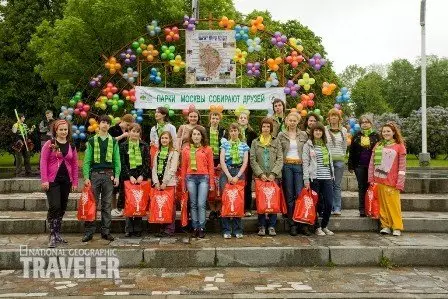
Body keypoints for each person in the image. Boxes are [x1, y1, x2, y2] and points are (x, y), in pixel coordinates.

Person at [82, 115, 121, 242]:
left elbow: (117, 160)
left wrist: (117, 176)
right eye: (103, 122)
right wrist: (86, 176)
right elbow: (87, 161)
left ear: (110, 126)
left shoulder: (114, 141)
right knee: (91, 204)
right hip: (95, 175)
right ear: (98, 124)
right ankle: (89, 232)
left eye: (107, 123)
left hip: (108, 174)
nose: (105, 125)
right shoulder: (92, 141)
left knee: (107, 204)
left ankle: (106, 231)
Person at [40, 120, 78, 248]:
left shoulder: (71, 145)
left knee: (62, 207)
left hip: (66, 181)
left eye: (65, 129)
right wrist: (44, 180)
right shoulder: (49, 144)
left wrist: (75, 182)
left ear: (68, 131)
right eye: (61, 129)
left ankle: (57, 233)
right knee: (55, 206)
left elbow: (74, 165)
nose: (63, 132)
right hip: (52, 180)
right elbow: (43, 162)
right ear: (56, 130)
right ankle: (52, 234)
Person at [368, 122, 406, 236]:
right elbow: (372, 163)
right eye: (384, 131)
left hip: (392, 181)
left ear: (394, 132)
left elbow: (402, 166)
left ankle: (397, 227)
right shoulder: (378, 145)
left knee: (393, 205)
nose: (386, 133)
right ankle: (385, 226)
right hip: (378, 180)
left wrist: (400, 182)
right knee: (382, 205)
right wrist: (371, 178)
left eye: (388, 131)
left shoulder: (399, 146)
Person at [277, 112, 310, 236]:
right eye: (290, 120)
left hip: (299, 166)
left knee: (300, 195)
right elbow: (278, 153)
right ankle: (292, 224)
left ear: (297, 121)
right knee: (289, 196)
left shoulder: (303, 135)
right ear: (286, 121)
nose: (292, 122)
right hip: (286, 166)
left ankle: (302, 224)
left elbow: (307, 151)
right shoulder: (281, 135)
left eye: (294, 120)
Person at [250, 117, 284, 236]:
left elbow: (280, 158)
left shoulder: (276, 141)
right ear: (261, 128)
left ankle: (272, 226)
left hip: (273, 177)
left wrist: (273, 173)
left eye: (268, 126)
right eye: (264, 126)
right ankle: (262, 226)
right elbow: (252, 160)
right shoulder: (255, 142)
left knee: (273, 201)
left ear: (271, 128)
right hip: (260, 178)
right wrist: (261, 174)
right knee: (261, 202)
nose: (266, 128)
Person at [180, 125, 214, 238]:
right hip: (190, 178)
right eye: (194, 134)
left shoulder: (207, 149)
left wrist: (212, 183)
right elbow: (183, 168)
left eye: (198, 134)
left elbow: (211, 167)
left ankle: (202, 227)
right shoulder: (186, 149)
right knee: (193, 204)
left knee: (201, 203)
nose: (196, 136)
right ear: (191, 136)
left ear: (202, 136)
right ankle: (195, 227)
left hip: (204, 178)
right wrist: (183, 184)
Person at [302, 122, 335, 236]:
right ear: (312, 132)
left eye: (320, 130)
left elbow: (330, 162)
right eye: (316, 130)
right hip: (314, 178)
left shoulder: (326, 144)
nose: (318, 132)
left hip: (327, 178)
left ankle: (324, 225)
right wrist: (306, 179)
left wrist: (332, 176)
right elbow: (305, 163)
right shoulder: (308, 145)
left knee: (329, 203)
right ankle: (317, 227)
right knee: (315, 204)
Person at [119, 123, 150, 238]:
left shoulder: (144, 145)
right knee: (129, 202)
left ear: (139, 133)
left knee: (138, 201)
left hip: (140, 177)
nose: (135, 134)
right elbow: (122, 163)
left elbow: (147, 162)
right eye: (133, 131)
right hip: (128, 178)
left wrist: (142, 175)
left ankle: (137, 228)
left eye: (137, 132)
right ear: (129, 132)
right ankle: (128, 228)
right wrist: (129, 176)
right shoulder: (123, 146)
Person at [219, 123, 250, 239]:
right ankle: (226, 229)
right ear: (229, 132)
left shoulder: (244, 145)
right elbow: (222, 160)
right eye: (231, 131)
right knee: (226, 201)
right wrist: (228, 175)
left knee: (238, 201)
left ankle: (237, 229)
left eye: (235, 130)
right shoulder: (224, 144)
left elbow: (245, 162)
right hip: (226, 172)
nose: (233, 133)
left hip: (239, 173)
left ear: (239, 132)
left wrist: (237, 176)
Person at [348, 114, 380, 217]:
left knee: (371, 186)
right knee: (362, 186)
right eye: (362, 122)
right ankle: (362, 209)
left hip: (373, 166)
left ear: (371, 123)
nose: (364, 124)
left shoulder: (376, 136)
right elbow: (351, 151)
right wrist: (350, 165)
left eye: (367, 122)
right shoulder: (356, 135)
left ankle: (371, 207)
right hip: (359, 165)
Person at [152, 131, 179, 237]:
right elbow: (154, 167)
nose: (164, 140)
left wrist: (164, 182)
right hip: (158, 183)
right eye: (162, 138)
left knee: (170, 207)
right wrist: (156, 182)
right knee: (161, 205)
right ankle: (162, 227)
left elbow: (173, 169)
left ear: (170, 140)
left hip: (169, 183)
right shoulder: (157, 152)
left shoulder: (174, 152)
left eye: (166, 138)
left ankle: (170, 229)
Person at [110, 114, 135, 217]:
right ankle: (113, 208)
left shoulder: (130, 130)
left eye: (130, 125)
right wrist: (122, 136)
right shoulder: (113, 129)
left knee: (122, 185)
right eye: (127, 124)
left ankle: (122, 208)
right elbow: (109, 141)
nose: (127, 126)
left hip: (125, 160)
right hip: (114, 159)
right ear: (122, 120)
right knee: (114, 186)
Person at [325, 109, 347, 216]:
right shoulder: (324, 129)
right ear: (328, 118)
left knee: (337, 185)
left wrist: (342, 156)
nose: (333, 118)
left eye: (335, 116)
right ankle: (329, 207)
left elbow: (344, 146)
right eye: (331, 116)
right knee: (328, 185)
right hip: (327, 161)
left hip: (339, 161)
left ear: (339, 118)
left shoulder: (343, 130)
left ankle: (337, 207)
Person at [207, 110, 226, 220]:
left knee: (219, 185)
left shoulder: (223, 130)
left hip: (219, 159)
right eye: (213, 118)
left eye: (217, 118)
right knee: (211, 185)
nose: (214, 120)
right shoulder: (205, 129)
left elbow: (225, 146)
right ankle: (212, 210)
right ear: (210, 119)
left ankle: (218, 209)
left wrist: (221, 161)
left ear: (219, 119)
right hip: (208, 160)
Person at [237, 110, 257, 217]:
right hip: (237, 161)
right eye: (241, 118)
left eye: (244, 118)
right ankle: (238, 206)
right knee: (238, 184)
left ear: (247, 120)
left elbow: (254, 148)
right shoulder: (234, 131)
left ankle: (248, 208)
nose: (242, 119)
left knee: (247, 184)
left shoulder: (252, 133)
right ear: (238, 119)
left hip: (248, 161)